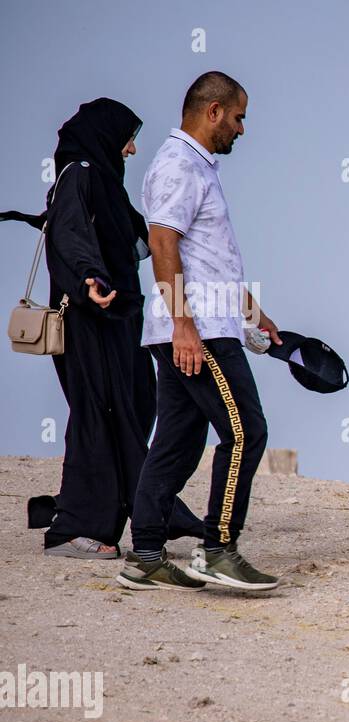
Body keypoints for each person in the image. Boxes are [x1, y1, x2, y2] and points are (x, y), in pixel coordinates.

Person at [1, 98, 203, 558]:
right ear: (107, 134)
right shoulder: (80, 172)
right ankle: (74, 530)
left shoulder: (103, 179)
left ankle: (145, 510)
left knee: (133, 404)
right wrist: (92, 276)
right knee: (97, 414)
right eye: (129, 137)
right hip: (88, 321)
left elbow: (135, 241)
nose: (132, 149)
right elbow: (69, 234)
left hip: (117, 321)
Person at [117, 72, 280, 591]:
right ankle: (218, 548)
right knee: (246, 431)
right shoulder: (179, 164)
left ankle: (145, 555)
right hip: (198, 330)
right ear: (213, 111)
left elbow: (210, 259)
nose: (242, 128)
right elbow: (162, 244)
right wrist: (185, 326)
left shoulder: (196, 167)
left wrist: (255, 312)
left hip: (202, 322)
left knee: (178, 441)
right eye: (238, 117)